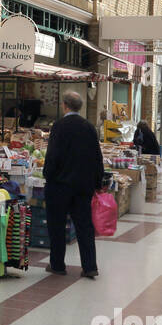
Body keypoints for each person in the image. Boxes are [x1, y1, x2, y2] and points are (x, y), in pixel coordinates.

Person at [42, 91, 105, 279]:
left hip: (59, 186)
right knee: (84, 227)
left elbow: (53, 155)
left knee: (57, 226)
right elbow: (97, 157)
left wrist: (48, 174)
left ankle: (57, 265)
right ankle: (90, 266)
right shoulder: (89, 127)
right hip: (82, 187)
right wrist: (97, 182)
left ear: (64, 105)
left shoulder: (59, 126)